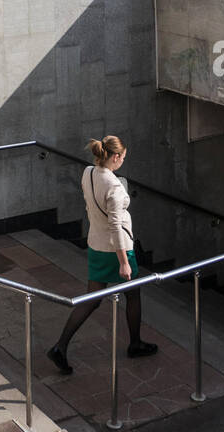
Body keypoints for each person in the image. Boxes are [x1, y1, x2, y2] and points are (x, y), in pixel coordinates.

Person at [47, 136, 156, 373]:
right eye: (123, 158)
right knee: (133, 294)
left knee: (92, 299)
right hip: (116, 249)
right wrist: (124, 262)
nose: (123, 162)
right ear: (115, 157)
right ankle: (135, 344)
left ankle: (60, 346)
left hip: (96, 244)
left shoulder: (88, 172)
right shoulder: (115, 188)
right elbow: (116, 227)